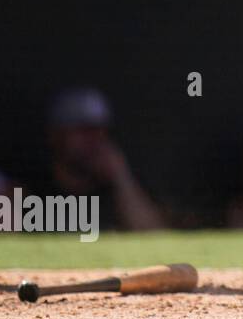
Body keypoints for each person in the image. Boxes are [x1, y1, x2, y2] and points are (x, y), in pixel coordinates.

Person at [42, 87, 166, 232]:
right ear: (55, 135)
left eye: (100, 131)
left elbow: (155, 236)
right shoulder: (35, 187)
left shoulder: (119, 191)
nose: (95, 140)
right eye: (84, 131)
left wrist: (121, 179)